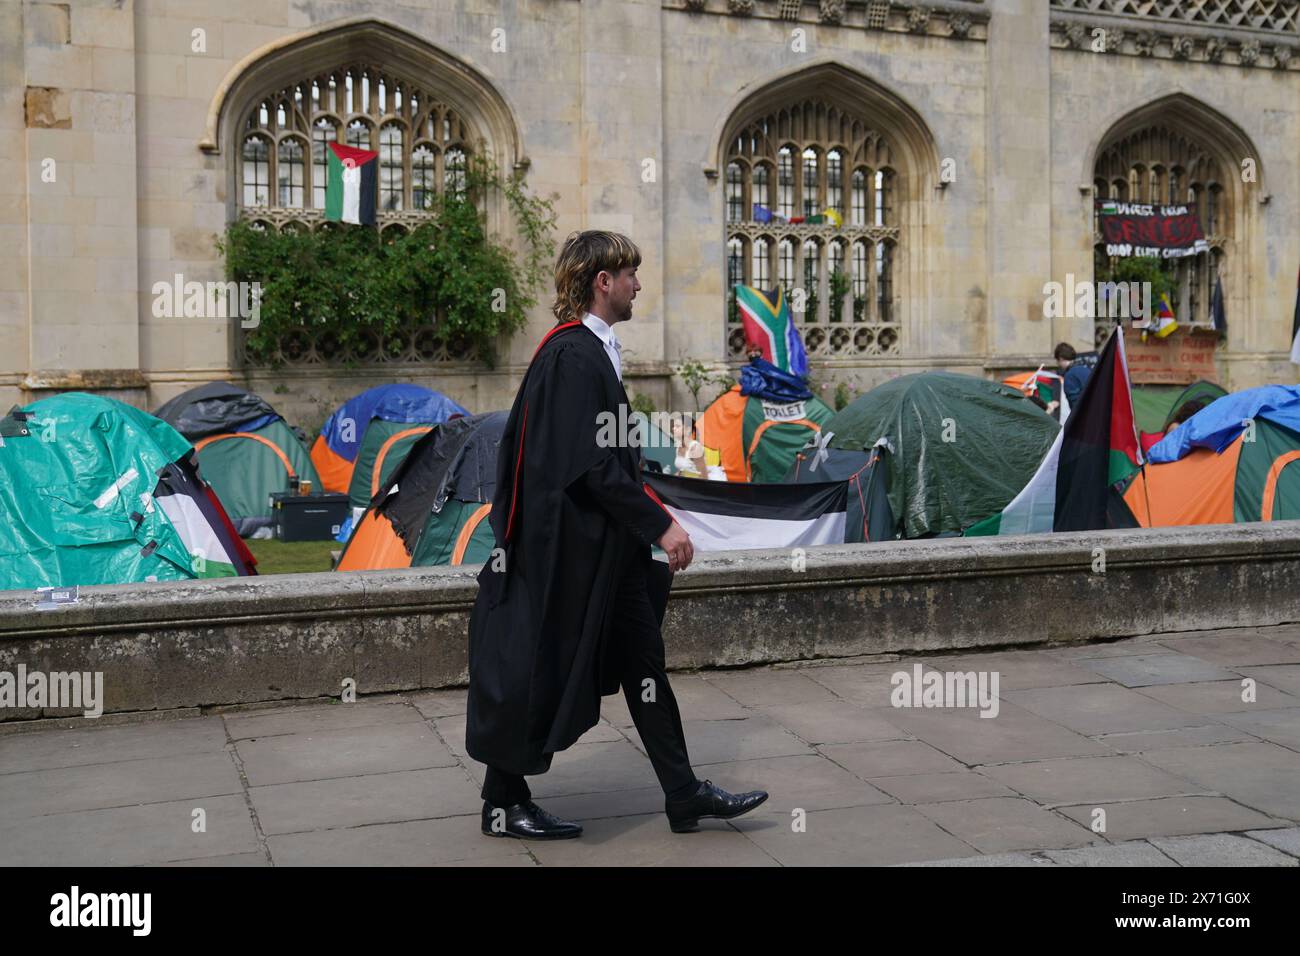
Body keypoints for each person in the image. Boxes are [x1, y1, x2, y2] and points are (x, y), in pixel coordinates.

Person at [466, 230, 768, 840]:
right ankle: (502, 800)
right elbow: (593, 465)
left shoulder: (590, 351)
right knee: (539, 663)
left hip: (610, 553)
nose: (638, 285)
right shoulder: (574, 355)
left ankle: (682, 795)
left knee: (643, 664)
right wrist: (661, 523)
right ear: (602, 282)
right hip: (570, 555)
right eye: (629, 274)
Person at [1055, 342, 1091, 406]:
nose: (1058, 364)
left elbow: (1075, 405)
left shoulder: (1070, 376)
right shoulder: (1087, 369)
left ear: (1061, 358)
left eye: (1058, 361)